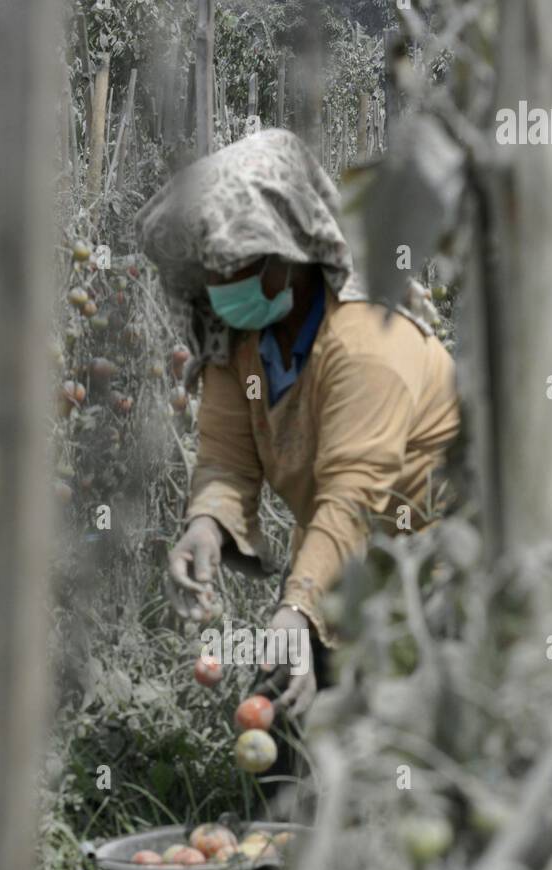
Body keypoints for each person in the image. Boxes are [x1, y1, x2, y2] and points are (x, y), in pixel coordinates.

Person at [137, 129, 460, 716]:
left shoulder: (366, 344)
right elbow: (226, 459)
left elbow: (353, 496)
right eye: (207, 269)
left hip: (435, 577)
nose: (215, 285)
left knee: (410, 752)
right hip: (344, 560)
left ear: (288, 255)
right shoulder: (241, 342)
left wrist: (299, 608)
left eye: (230, 265)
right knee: (287, 714)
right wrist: (206, 525)